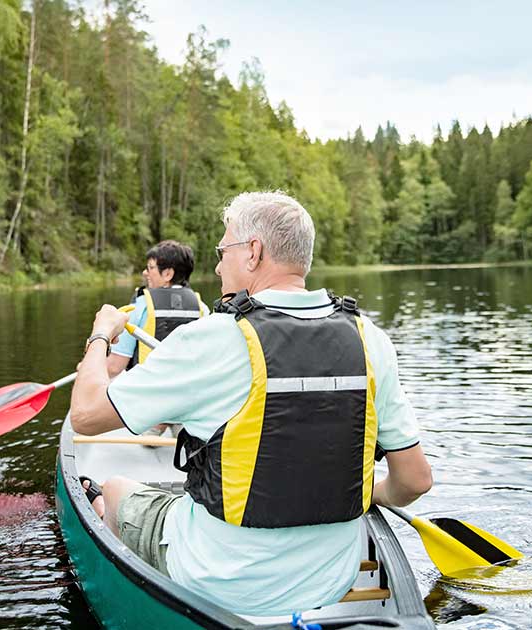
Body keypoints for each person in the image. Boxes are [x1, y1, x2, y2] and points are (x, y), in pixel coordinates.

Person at [70, 191, 432, 616]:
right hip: (332, 581)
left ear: (254, 252)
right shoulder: (371, 339)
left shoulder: (215, 337)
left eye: (224, 250)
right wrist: (368, 491)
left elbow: (87, 414)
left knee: (114, 490)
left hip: (218, 581)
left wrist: (101, 334)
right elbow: (414, 482)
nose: (219, 264)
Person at [106, 240, 208, 379]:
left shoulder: (140, 306)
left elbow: (113, 367)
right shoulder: (202, 308)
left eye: (150, 268)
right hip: (186, 391)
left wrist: (88, 363)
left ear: (167, 274)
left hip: (148, 392)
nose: (145, 272)